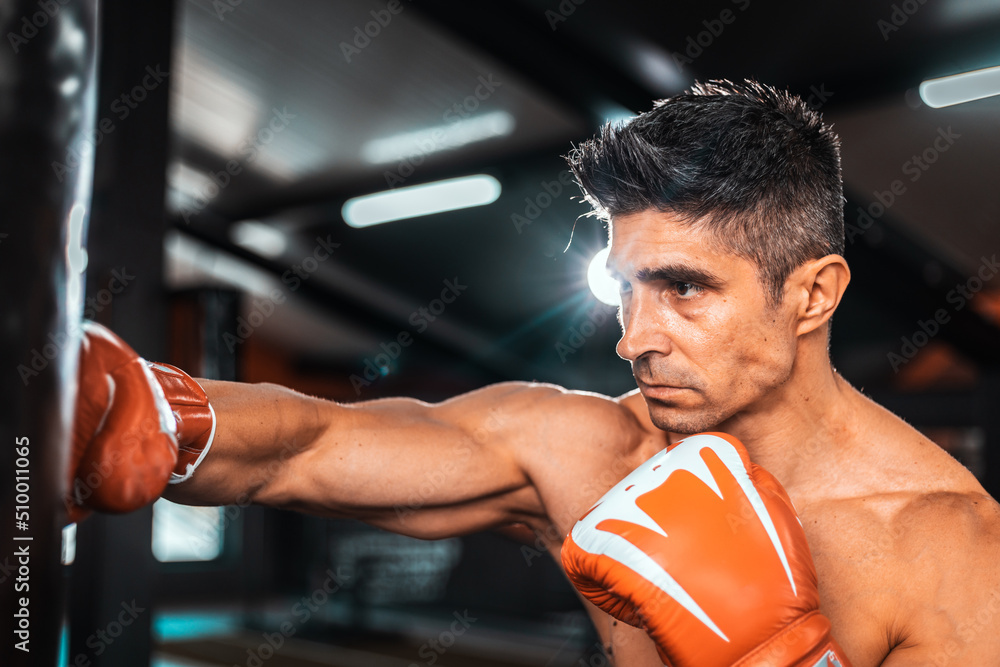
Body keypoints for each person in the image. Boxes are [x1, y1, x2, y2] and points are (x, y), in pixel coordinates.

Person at [70, 80, 1000, 666]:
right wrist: (151, 409)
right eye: (626, 289)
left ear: (813, 294)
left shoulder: (948, 547)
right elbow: (309, 445)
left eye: (684, 287)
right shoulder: (590, 448)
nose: (637, 337)